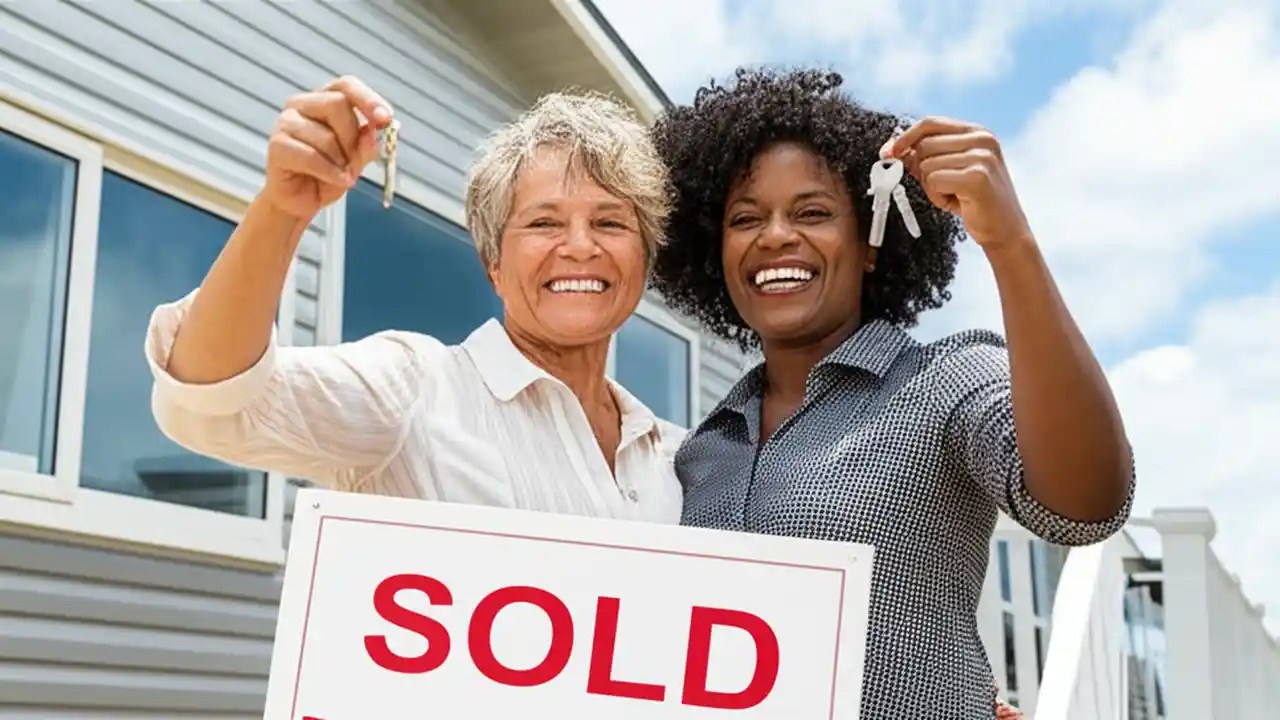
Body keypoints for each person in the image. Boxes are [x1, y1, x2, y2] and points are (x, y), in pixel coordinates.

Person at [649, 67, 1135, 717]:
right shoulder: (701, 451)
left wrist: (1009, 242)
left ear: (870, 245)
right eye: (745, 218)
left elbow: (1084, 505)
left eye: (813, 212)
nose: (775, 236)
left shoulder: (945, 380)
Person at [146, 75, 683, 521]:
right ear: (493, 264)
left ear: (645, 258)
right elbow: (210, 398)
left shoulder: (680, 460)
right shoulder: (413, 390)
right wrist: (283, 209)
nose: (580, 246)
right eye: (544, 222)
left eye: (610, 222)